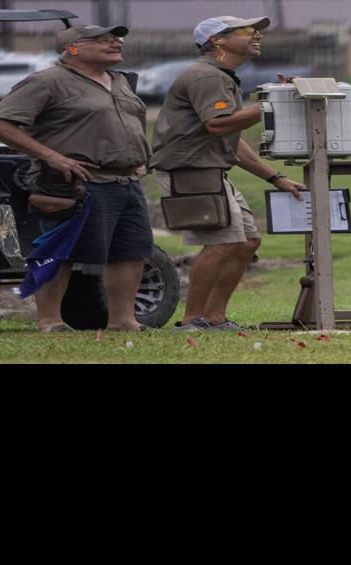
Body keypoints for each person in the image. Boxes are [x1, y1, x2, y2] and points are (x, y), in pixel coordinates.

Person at [0, 24, 153, 332]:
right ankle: (50, 321)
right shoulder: (48, 81)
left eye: (117, 38)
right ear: (73, 48)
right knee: (60, 251)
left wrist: (141, 160)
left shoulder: (119, 81)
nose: (116, 42)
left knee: (130, 251)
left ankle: (123, 321)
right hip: (76, 184)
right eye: (103, 40)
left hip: (126, 181)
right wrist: (51, 156)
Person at [150, 15, 306, 331]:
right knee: (221, 243)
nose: (257, 36)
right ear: (218, 40)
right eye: (248, 31)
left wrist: (275, 177)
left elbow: (229, 140)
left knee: (247, 241)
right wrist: (274, 102)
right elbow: (218, 124)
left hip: (211, 170)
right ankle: (193, 320)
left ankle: (216, 318)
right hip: (190, 170)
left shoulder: (223, 76)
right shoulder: (206, 77)